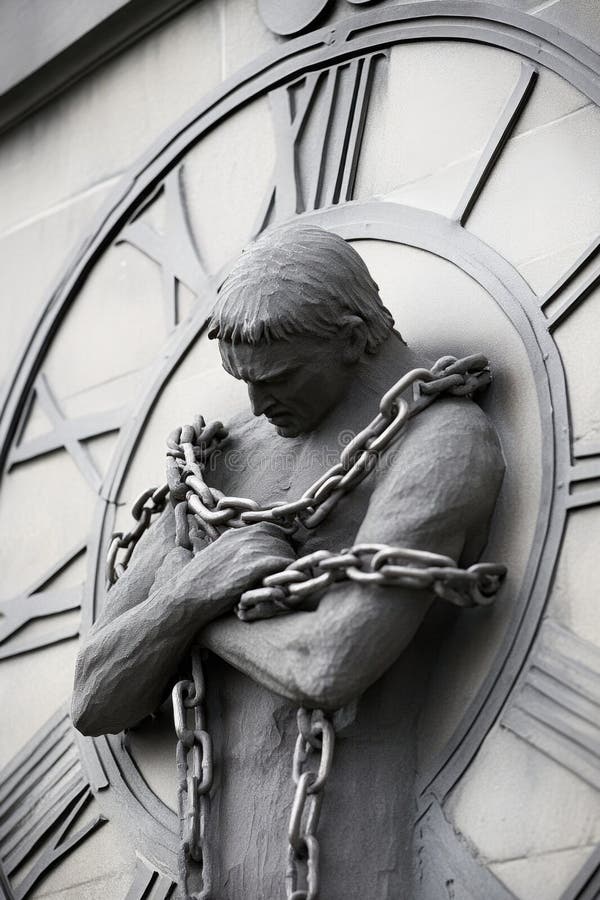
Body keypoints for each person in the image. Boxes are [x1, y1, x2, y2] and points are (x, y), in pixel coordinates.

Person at [72, 223, 505, 898]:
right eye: (241, 381)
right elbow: (94, 695)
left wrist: (193, 601)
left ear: (355, 339)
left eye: (278, 378)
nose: (254, 404)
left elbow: (329, 663)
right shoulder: (222, 461)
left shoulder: (444, 445)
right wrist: (194, 592)